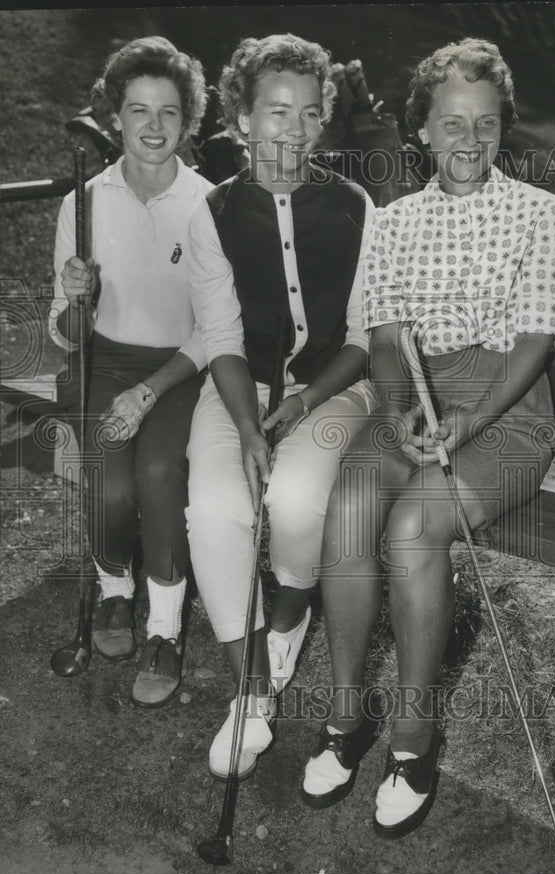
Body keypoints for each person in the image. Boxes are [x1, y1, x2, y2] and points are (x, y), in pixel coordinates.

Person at [301, 38, 555, 838]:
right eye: (451, 124)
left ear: (503, 130)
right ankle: (346, 715)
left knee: (414, 527)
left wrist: (471, 419)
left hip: (509, 413)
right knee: (350, 504)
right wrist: (396, 413)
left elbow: (536, 341)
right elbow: (387, 337)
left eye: (485, 125)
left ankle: (413, 741)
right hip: (414, 400)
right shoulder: (391, 223)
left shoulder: (539, 213)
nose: (468, 142)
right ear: (421, 130)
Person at [185, 33, 377, 780]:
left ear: (324, 117)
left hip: (334, 386)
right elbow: (222, 337)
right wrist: (245, 428)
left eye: (307, 113)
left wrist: (304, 405)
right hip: (237, 388)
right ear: (241, 115)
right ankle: (251, 690)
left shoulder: (355, 204)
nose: (291, 131)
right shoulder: (215, 212)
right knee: (218, 503)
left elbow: (363, 337)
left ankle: (289, 621)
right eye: (275, 112)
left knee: (297, 498)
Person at [50, 36, 213, 708]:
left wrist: (151, 392)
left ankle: (167, 627)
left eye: (169, 112)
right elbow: (65, 333)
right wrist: (77, 300)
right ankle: (116, 590)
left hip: (181, 369)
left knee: (157, 474)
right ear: (113, 116)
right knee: (111, 482)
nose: (153, 126)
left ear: (188, 120)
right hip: (104, 359)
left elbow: (214, 330)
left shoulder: (210, 204)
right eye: (138, 110)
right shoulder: (83, 204)